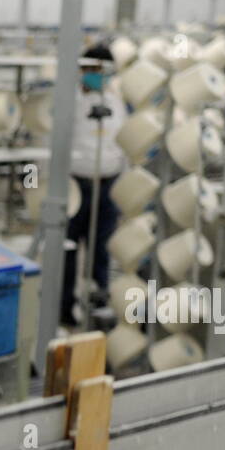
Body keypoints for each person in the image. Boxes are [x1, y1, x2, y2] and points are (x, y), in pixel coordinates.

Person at [61, 43, 127, 326]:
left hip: (108, 186)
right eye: (94, 70)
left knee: (102, 249)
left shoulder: (115, 103)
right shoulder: (68, 104)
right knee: (68, 250)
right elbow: (48, 148)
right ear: (83, 69)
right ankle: (64, 307)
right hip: (75, 186)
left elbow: (122, 143)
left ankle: (99, 306)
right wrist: (32, 186)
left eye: (105, 71)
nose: (99, 76)